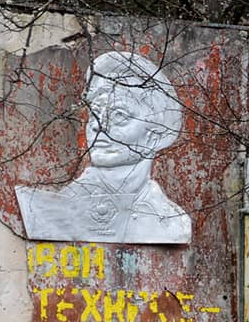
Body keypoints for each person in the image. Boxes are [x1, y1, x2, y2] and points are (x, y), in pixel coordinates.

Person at [17, 51, 193, 244]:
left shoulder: (171, 221)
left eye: (119, 115)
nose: (99, 125)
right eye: (96, 113)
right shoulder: (46, 211)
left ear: (154, 136)